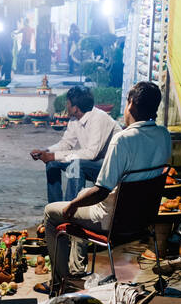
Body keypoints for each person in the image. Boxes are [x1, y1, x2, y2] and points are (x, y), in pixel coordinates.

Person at [43, 81, 171, 282]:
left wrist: (73, 205)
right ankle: (76, 269)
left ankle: (61, 281)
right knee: (78, 196)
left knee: (52, 212)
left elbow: (101, 191)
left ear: (131, 105)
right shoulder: (164, 135)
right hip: (142, 219)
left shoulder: (123, 140)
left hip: (112, 219)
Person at [30, 86, 116, 204]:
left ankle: (70, 212)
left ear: (75, 108)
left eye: (68, 103)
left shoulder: (99, 118)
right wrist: (45, 151)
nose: (66, 106)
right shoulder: (74, 120)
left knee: (77, 164)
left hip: (111, 167)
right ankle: (55, 209)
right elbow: (66, 143)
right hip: (93, 163)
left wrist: (54, 155)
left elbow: (91, 154)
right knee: (52, 163)